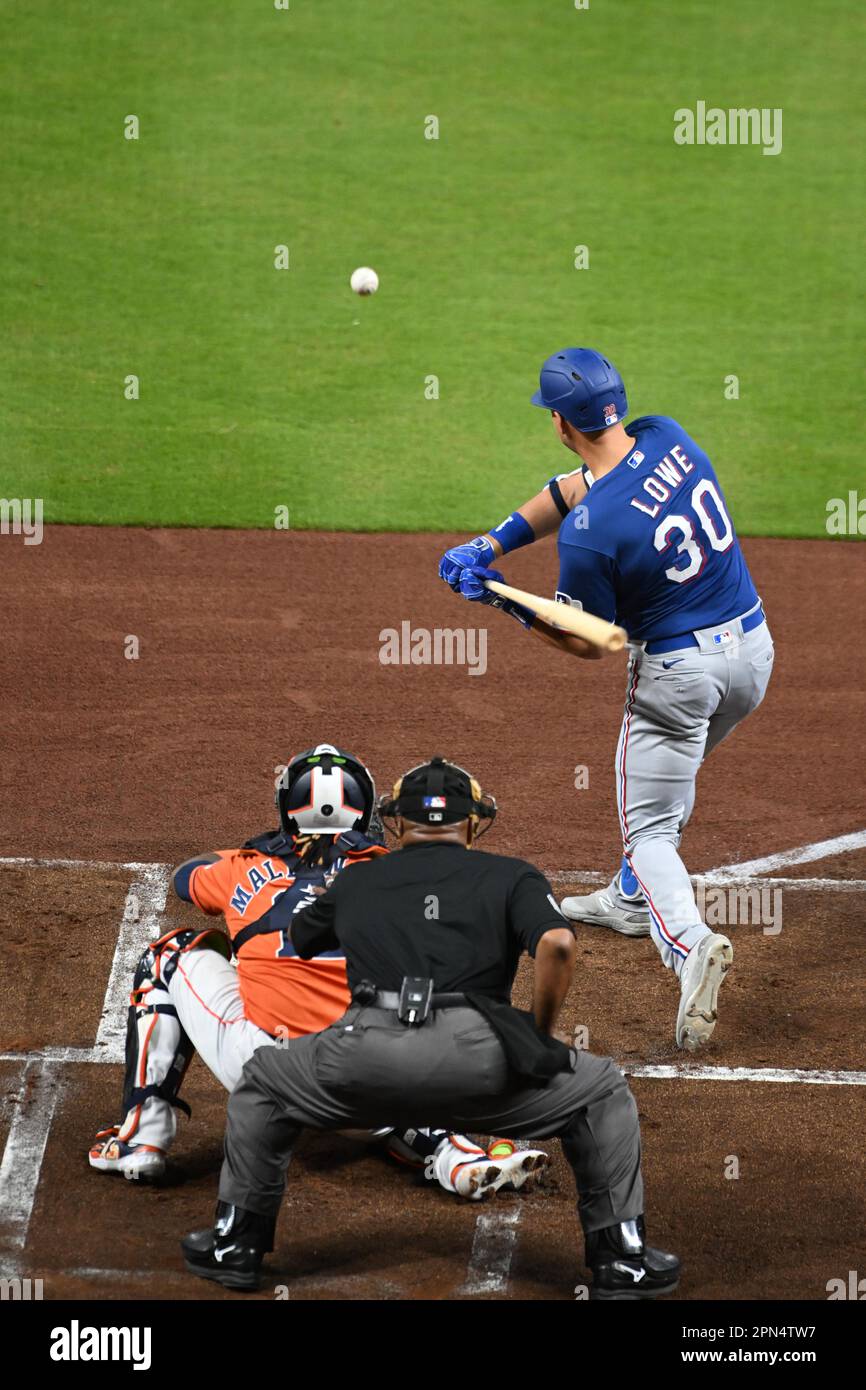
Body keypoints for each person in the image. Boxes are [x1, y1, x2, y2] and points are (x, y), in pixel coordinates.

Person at [181, 756, 679, 1300]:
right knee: (601, 1091)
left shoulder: (362, 877)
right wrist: (536, 1035)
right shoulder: (512, 875)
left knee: (263, 1084)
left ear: (395, 824)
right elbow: (558, 945)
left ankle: (236, 1247)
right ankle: (621, 1261)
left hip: (364, 1058)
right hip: (481, 1060)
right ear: (472, 822)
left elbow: (300, 940)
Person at [438, 348, 774, 1050]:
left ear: (559, 422)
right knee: (669, 778)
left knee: (647, 825)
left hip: (681, 679)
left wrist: (500, 597)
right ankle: (628, 900)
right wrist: (492, 543)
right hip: (752, 657)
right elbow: (580, 487)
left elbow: (590, 642)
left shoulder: (594, 538)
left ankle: (689, 947)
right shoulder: (665, 436)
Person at [88, 743, 545, 1200]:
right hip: (371, 1080)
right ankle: (455, 1152)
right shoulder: (398, 874)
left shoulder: (243, 869)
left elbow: (186, 876)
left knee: (170, 953)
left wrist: (262, 854)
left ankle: (141, 1139)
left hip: (265, 1072)